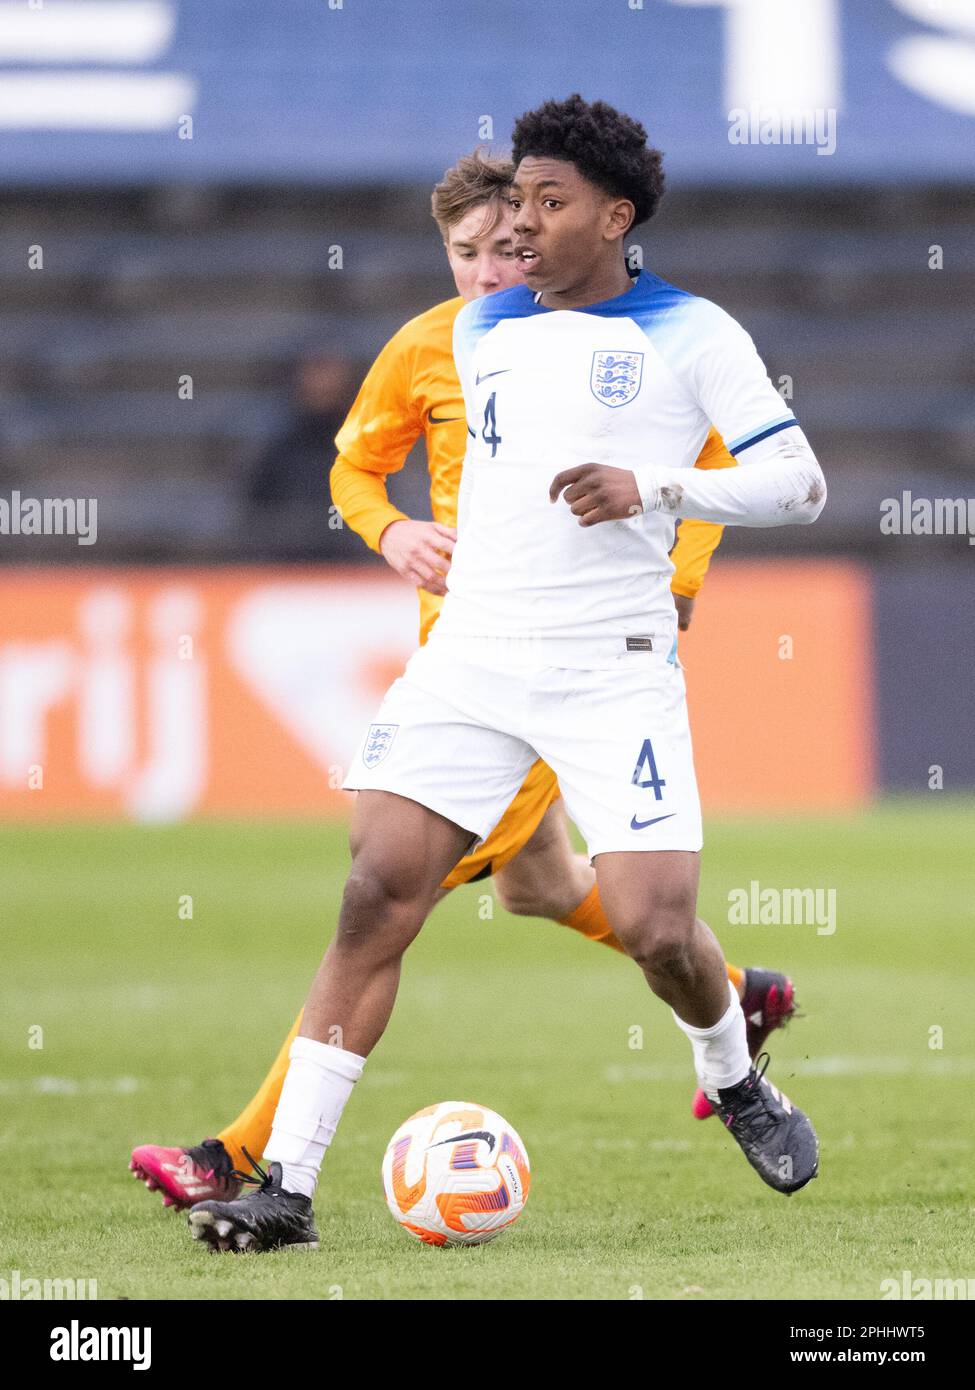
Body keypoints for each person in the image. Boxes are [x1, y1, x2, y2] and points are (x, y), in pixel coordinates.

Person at [144, 103, 823, 1245]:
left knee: (661, 929)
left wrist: (656, 489)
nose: (523, 231)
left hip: (614, 670)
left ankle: (736, 1078)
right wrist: (388, 525)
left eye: (549, 207)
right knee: (376, 897)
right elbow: (367, 455)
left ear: (616, 217)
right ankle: (286, 1187)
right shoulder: (467, 330)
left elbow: (798, 483)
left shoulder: (696, 333)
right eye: (516, 207)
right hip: (471, 660)